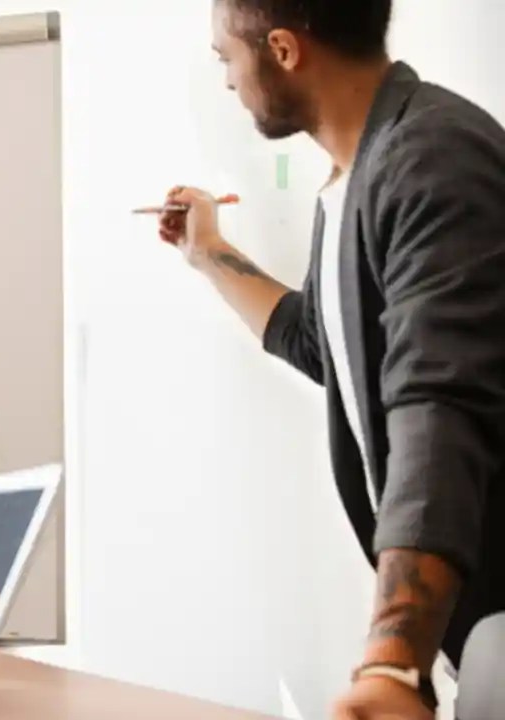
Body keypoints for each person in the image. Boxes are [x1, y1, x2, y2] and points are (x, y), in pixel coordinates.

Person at [159, 1, 505, 717]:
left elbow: (441, 406)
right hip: (477, 630)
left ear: (282, 50)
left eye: (227, 56)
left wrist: (393, 661)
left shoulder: (432, 157)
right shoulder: (355, 179)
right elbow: (324, 343)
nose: (227, 81)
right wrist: (209, 254)